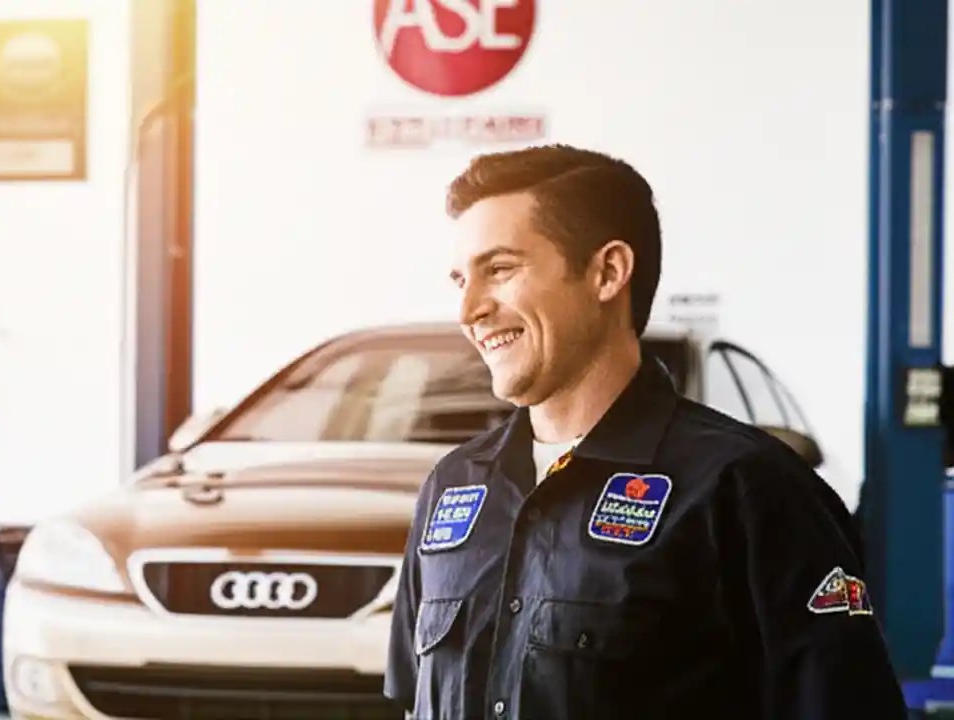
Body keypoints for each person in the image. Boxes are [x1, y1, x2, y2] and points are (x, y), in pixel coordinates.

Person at [383, 144, 907, 719]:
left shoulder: (746, 488)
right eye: (460, 277)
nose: (468, 309)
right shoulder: (453, 487)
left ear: (607, 272)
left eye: (500, 270)